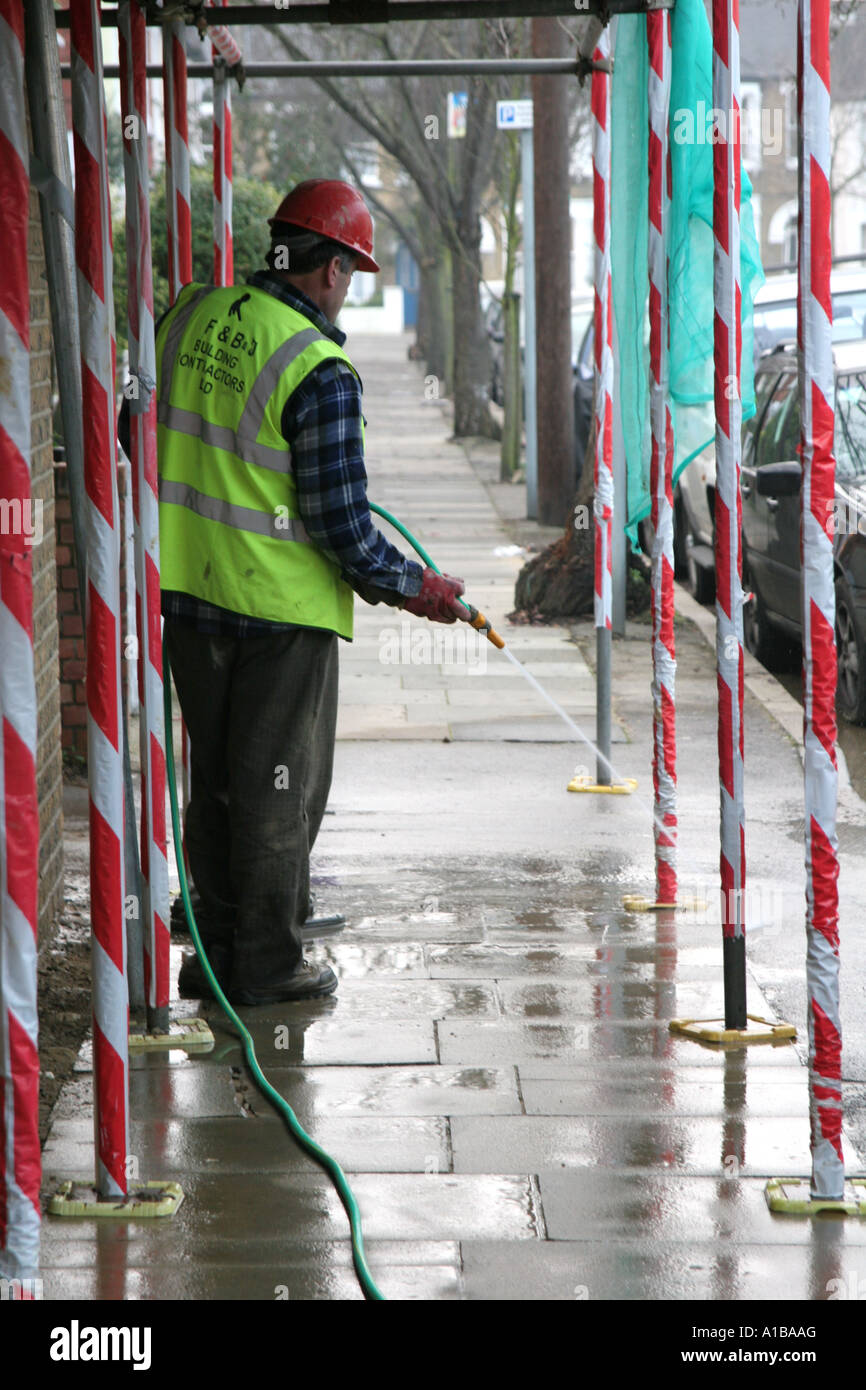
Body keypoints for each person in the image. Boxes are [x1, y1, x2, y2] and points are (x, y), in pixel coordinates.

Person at [154, 179, 468, 1006]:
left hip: (187, 595)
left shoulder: (187, 317)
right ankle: (265, 964)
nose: (350, 290)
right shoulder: (318, 369)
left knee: (214, 782)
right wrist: (415, 587)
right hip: (276, 614)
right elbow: (342, 526)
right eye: (352, 273)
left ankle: (212, 957)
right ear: (329, 269)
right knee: (275, 791)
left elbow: (133, 429)